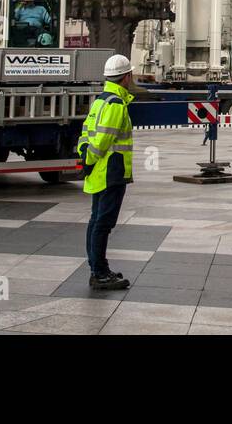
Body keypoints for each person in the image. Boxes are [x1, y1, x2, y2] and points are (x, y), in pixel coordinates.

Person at [79, 54, 137, 291]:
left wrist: (86, 160)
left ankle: (98, 268)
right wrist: (92, 160)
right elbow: (102, 140)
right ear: (126, 77)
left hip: (99, 171)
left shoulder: (100, 100)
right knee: (103, 223)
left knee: (96, 221)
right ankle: (100, 273)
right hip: (110, 171)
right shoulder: (115, 104)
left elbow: (85, 133)